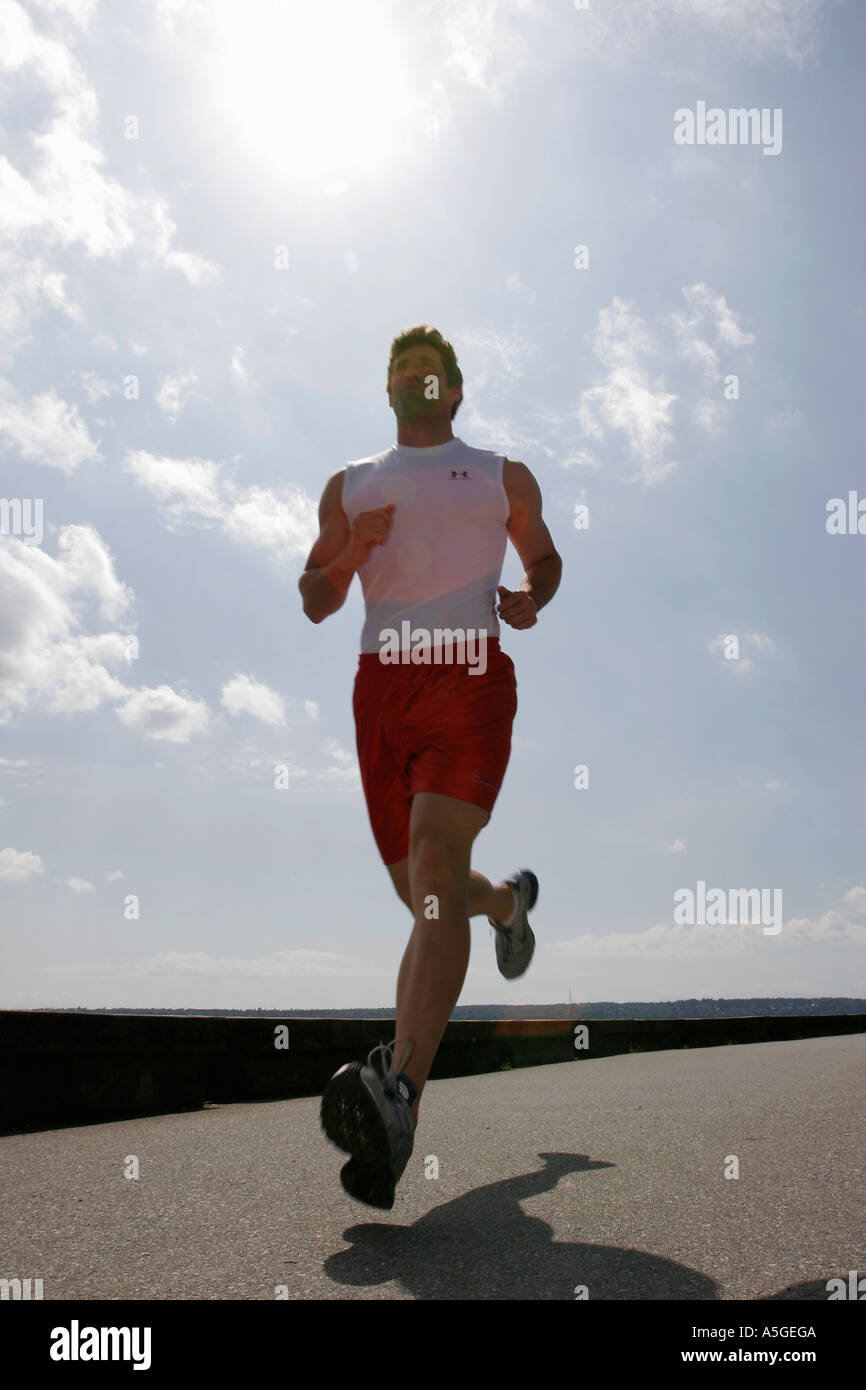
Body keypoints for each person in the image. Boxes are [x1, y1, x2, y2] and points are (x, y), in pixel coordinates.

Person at [298, 324, 562, 1209]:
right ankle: (508, 904)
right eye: (403, 369)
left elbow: (545, 557)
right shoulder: (350, 483)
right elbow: (314, 598)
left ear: (454, 389)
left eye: (431, 370)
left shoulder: (500, 474)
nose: (417, 378)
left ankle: (399, 1093)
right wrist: (351, 551)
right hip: (382, 690)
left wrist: (531, 596)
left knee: (437, 867)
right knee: (426, 894)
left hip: (468, 676)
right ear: (388, 390)